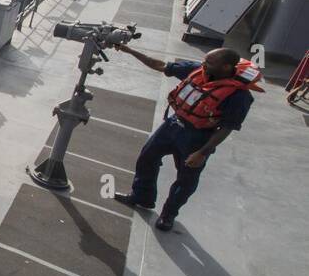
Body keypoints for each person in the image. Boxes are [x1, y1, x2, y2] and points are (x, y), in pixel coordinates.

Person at [113, 46, 263, 230]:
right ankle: (141, 196)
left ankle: (168, 215)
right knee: (147, 157)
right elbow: (160, 65)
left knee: (186, 179)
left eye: (210, 62)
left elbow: (226, 128)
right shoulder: (197, 71)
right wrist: (130, 51)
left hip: (198, 137)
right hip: (173, 124)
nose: (204, 64)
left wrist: (202, 152)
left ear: (225, 67)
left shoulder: (239, 96)